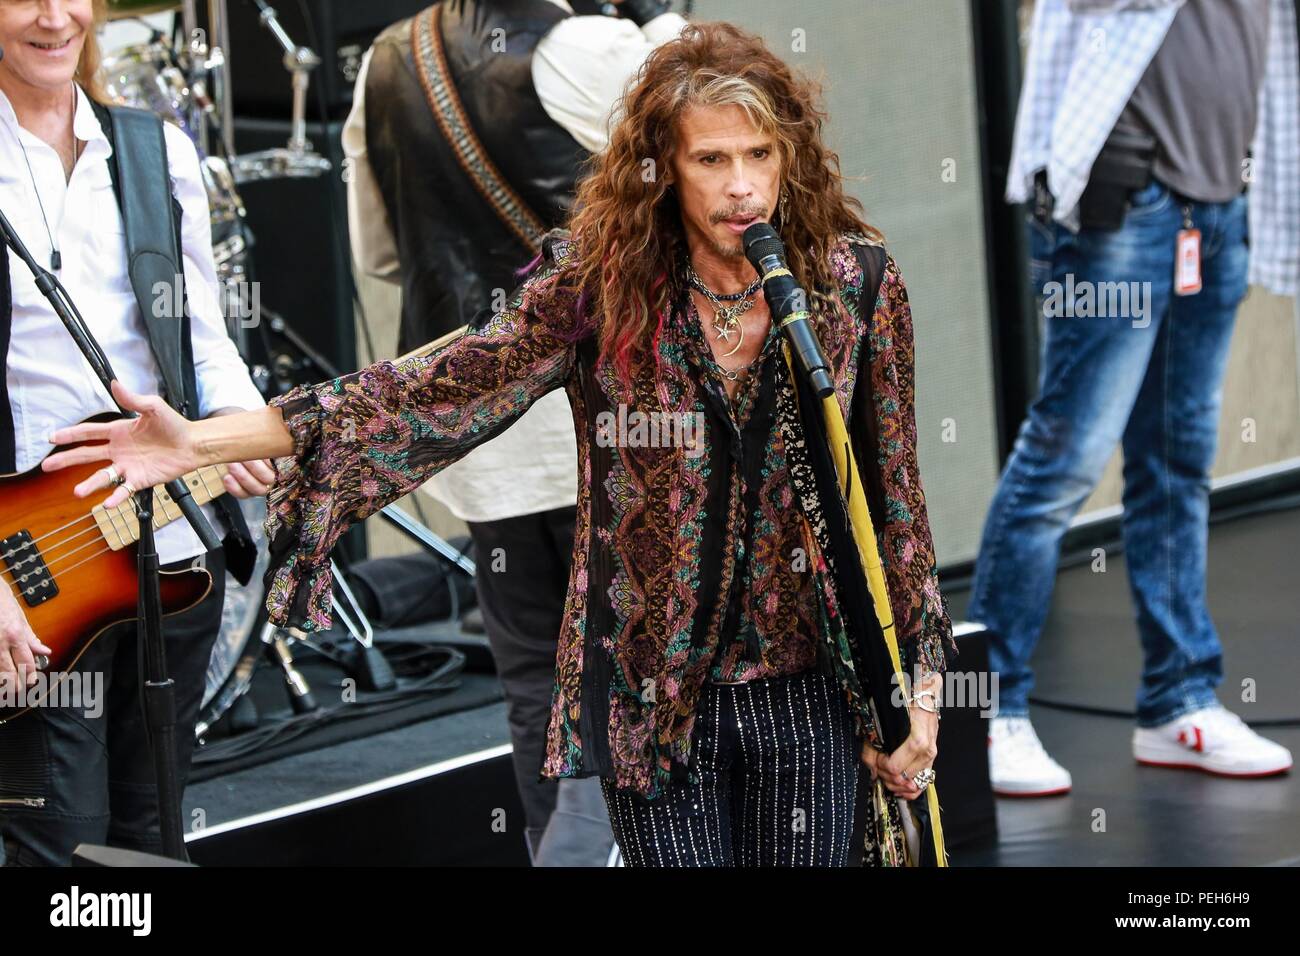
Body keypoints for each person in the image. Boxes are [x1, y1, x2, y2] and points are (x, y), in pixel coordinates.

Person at [44, 20, 958, 867]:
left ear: (790, 155)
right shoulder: (605, 287)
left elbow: (898, 505)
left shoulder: (851, 284)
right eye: (711, 159)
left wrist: (919, 689)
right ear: (662, 169)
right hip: (656, 703)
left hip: (814, 688)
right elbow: (425, 392)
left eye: (760, 154)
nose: (741, 185)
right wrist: (204, 441)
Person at [344, 0, 686, 865]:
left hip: (482, 433)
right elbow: (710, 174)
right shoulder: (599, 48)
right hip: (611, 418)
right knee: (661, 669)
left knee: (537, 681)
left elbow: (381, 255)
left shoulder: (388, 59)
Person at [975, 0, 1296, 797]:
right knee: (1064, 457)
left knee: (1179, 457)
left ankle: (1178, 697)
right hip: (1121, 201)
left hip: (1218, 202)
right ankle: (987, 712)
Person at [0, 0, 270, 865]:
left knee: (151, 846)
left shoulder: (156, 150)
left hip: (165, 549)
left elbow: (198, 337)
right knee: (61, 857)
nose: (53, 16)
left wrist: (235, 426)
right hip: (27, 571)